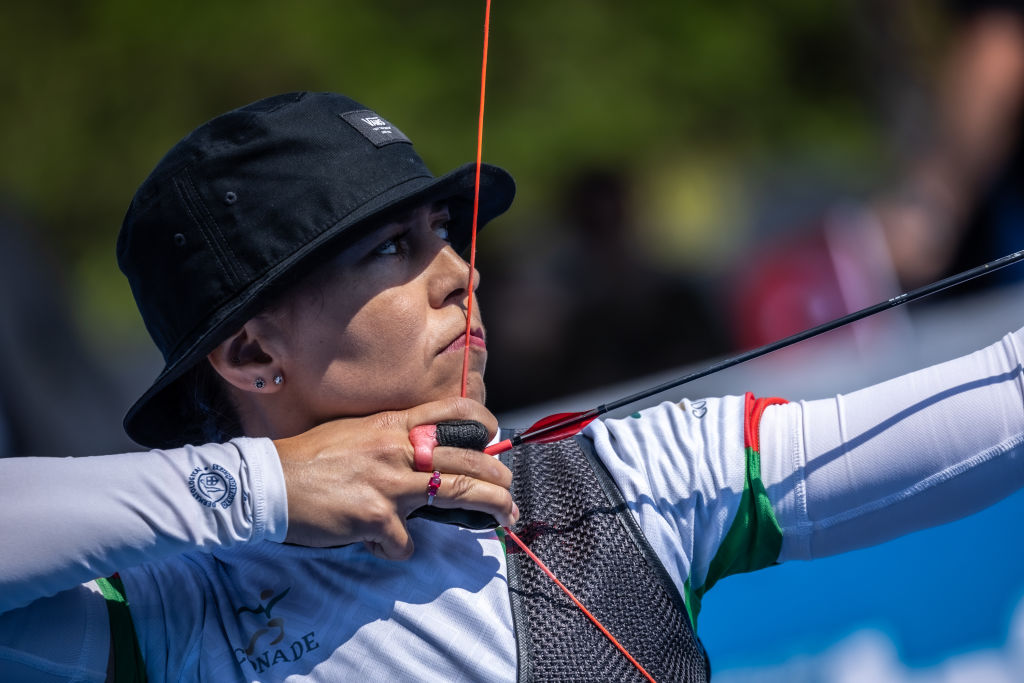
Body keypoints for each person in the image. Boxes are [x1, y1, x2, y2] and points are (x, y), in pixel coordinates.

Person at [2, 91, 1024, 682]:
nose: (461, 271)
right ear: (254, 355)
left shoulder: (616, 479)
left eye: (446, 233)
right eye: (396, 249)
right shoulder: (178, 612)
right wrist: (266, 485)